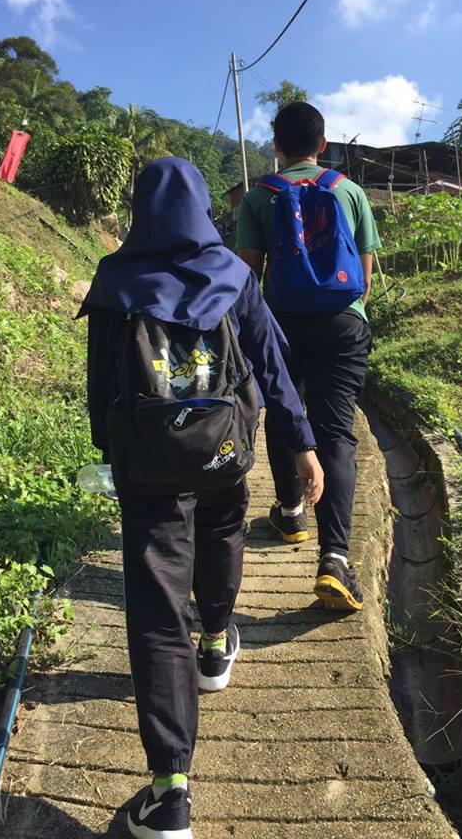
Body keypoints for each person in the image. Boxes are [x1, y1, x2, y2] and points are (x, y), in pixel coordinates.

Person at [79, 157, 323, 839]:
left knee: (157, 611)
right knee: (224, 534)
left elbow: (102, 391)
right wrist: (301, 441)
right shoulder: (234, 275)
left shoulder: (115, 279)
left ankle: (170, 792)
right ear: (200, 206)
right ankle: (216, 647)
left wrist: (118, 456)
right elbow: (269, 360)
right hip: (223, 449)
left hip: (148, 466)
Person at [236, 101, 381, 613]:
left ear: (277, 147)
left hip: (282, 322)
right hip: (344, 322)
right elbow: (362, 276)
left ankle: (292, 510)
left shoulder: (260, 197)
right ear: (323, 144)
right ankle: (336, 559)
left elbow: (246, 276)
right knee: (338, 431)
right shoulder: (350, 191)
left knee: (284, 408)